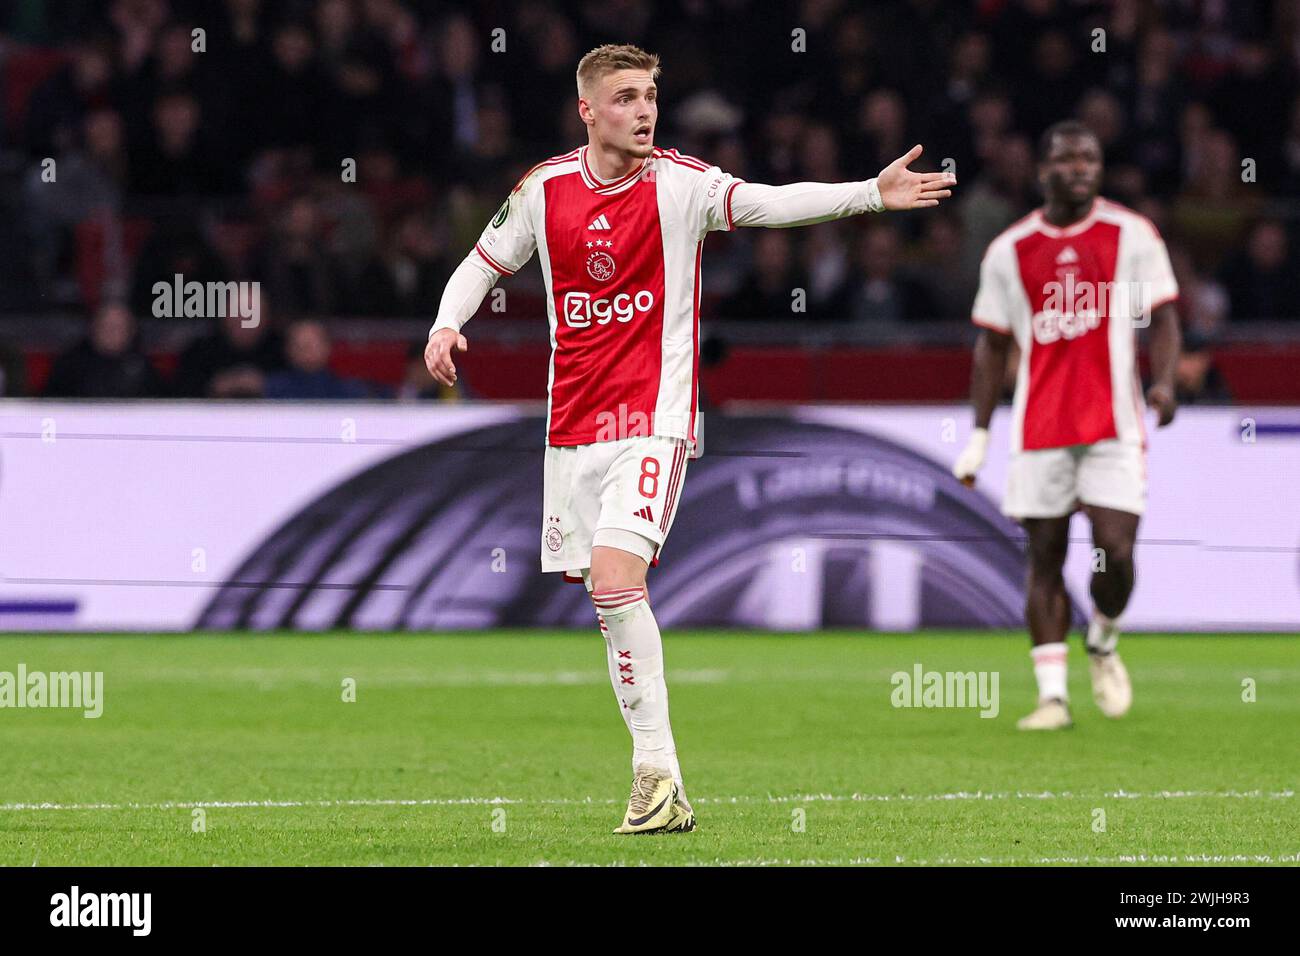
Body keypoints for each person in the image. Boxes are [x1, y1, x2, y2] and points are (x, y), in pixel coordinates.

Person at [424, 43, 956, 833]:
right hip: (572, 432)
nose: (644, 111)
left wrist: (868, 196)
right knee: (609, 604)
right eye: (627, 97)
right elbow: (482, 261)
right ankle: (662, 787)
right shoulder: (544, 190)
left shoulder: (682, 186)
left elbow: (774, 204)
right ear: (589, 110)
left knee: (614, 579)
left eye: (650, 96)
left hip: (655, 420)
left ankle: (656, 777)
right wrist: (444, 324)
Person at [952, 120, 1181, 731]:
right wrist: (979, 434)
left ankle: (1103, 639)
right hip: (1039, 429)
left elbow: (1161, 317)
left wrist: (1164, 381)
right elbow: (992, 347)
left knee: (1117, 551)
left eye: (1090, 159)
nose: (1079, 168)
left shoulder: (1130, 234)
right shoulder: (1010, 249)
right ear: (1043, 169)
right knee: (1045, 557)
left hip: (1113, 426)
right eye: (1067, 159)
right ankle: (1052, 697)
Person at [44, 302, 163, 398]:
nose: (111, 332)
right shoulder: (70, 365)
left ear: (131, 331)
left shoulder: (142, 367)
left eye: (118, 327)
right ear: (93, 328)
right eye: (106, 326)